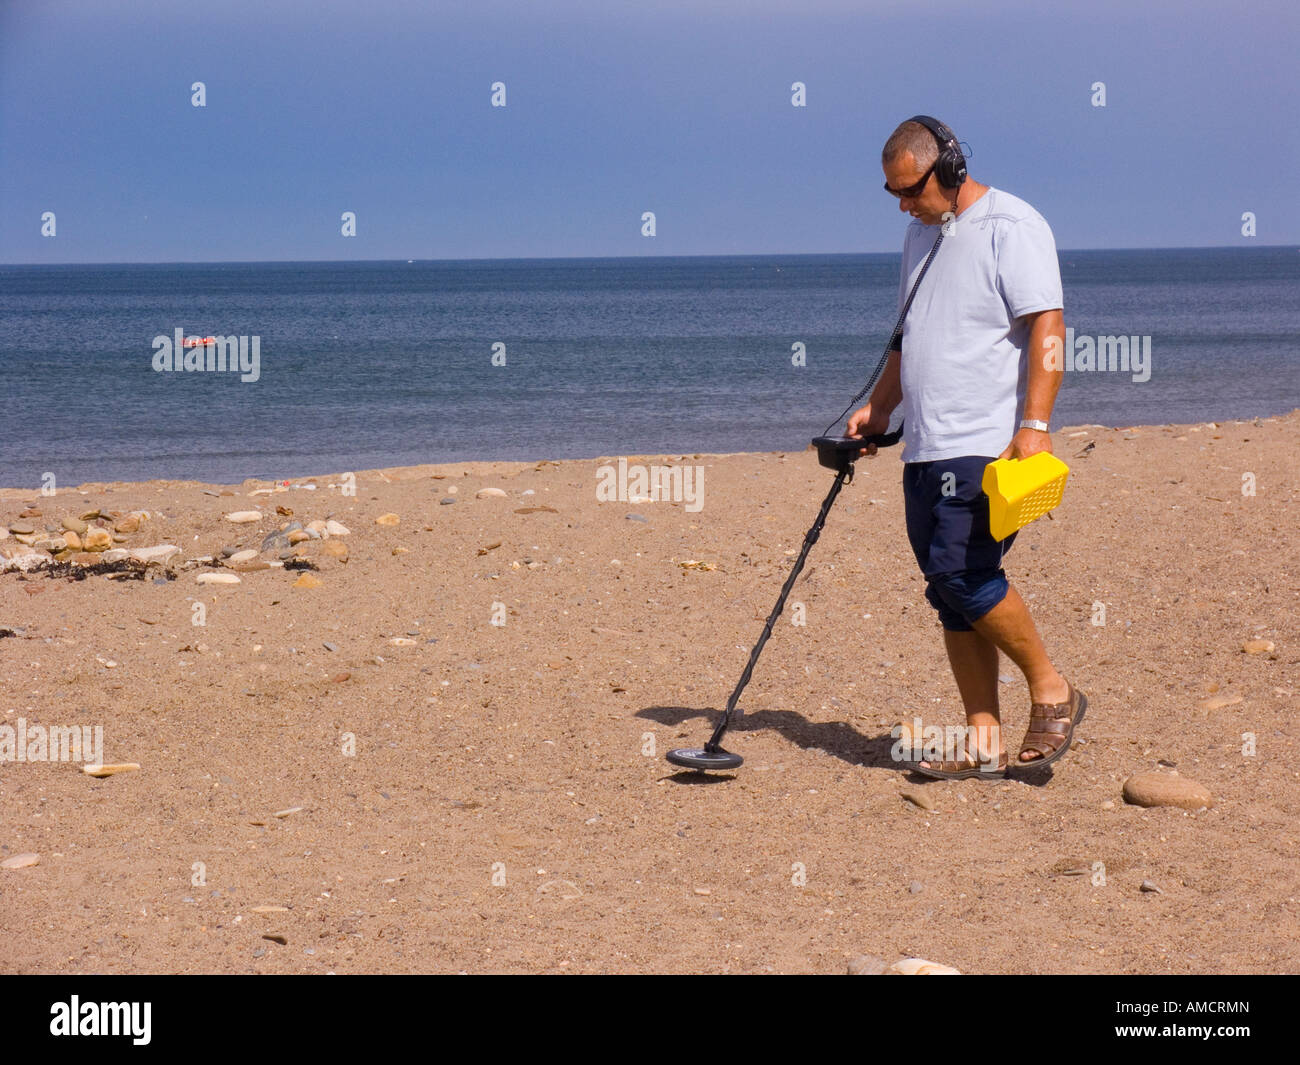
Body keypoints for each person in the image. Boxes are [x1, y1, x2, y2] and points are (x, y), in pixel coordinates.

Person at [848, 115, 1087, 779]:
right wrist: (880, 408)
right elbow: (908, 335)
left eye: (912, 189)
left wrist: (1035, 423)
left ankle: (1052, 688)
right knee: (946, 591)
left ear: (949, 169)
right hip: (924, 445)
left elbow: (1048, 325)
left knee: (964, 570)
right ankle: (984, 742)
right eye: (893, 192)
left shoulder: (1013, 226)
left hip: (985, 444)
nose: (903, 203)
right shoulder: (918, 234)